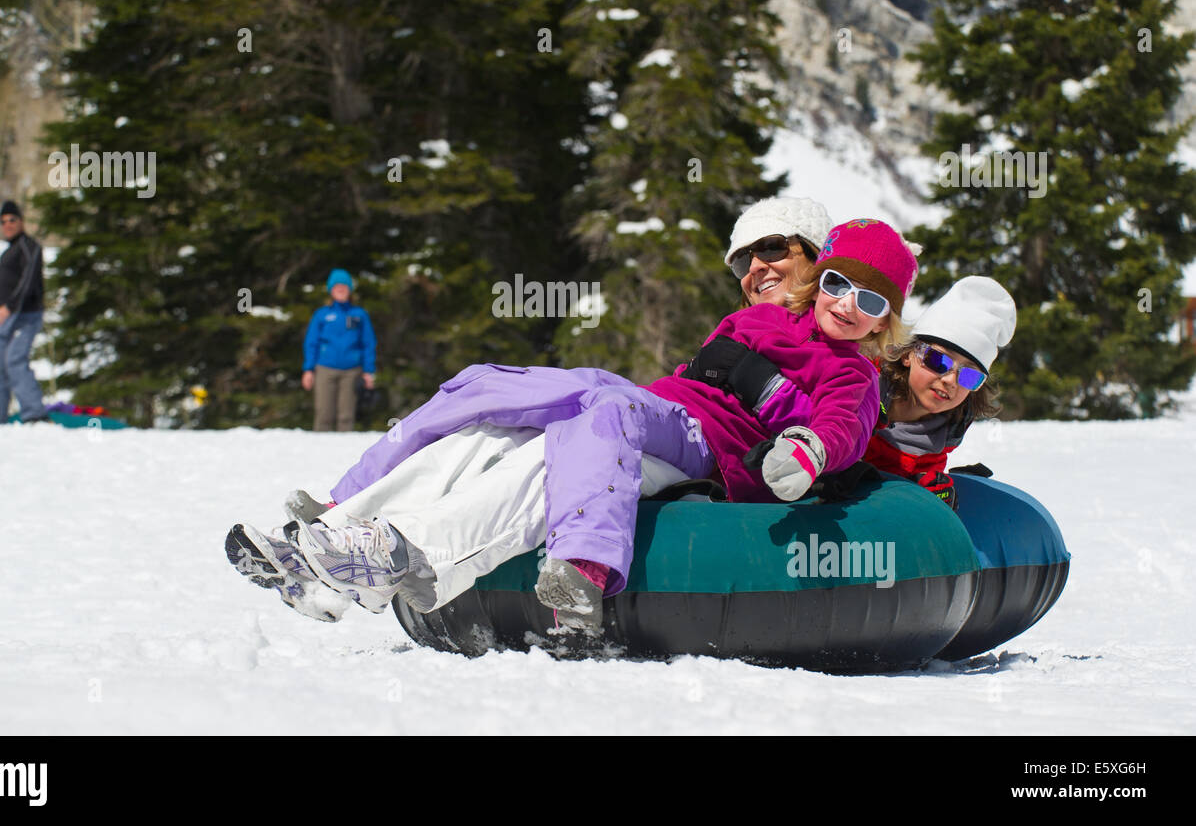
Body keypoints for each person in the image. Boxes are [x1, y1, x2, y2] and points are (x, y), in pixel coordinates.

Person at [231, 209, 919, 634]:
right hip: (657, 413)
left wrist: (804, 450)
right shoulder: (760, 318)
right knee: (489, 412)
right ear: (819, 276)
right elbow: (696, 371)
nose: (847, 305)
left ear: (888, 319)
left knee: (595, 414)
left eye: (871, 300)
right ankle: (332, 537)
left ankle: (526, 560)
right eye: (838, 283)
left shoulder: (851, 372)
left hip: (702, 447)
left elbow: (840, 429)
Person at [865, 275, 1017, 507]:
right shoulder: (859, 384)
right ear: (908, 354)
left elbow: (917, 480)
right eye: (938, 360)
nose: (950, 380)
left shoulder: (942, 434)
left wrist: (932, 493)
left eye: (969, 376)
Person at [0, 200, 46, 425]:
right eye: (3, 221)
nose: (7, 225)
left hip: (26, 315)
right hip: (7, 318)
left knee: (15, 359)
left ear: (21, 221)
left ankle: (34, 413)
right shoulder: (7, 253)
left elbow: (27, 282)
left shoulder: (30, 247)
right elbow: (3, 294)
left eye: (12, 220)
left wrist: (9, 307)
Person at [301, 269, 376, 432]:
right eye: (337, 287)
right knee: (323, 414)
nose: (341, 289)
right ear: (331, 290)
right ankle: (320, 450)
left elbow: (368, 343)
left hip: (352, 371)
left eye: (344, 286)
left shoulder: (359, 315)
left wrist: (368, 371)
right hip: (324, 369)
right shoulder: (322, 314)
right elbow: (311, 342)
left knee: (346, 416)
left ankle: (343, 452)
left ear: (349, 290)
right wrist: (308, 369)